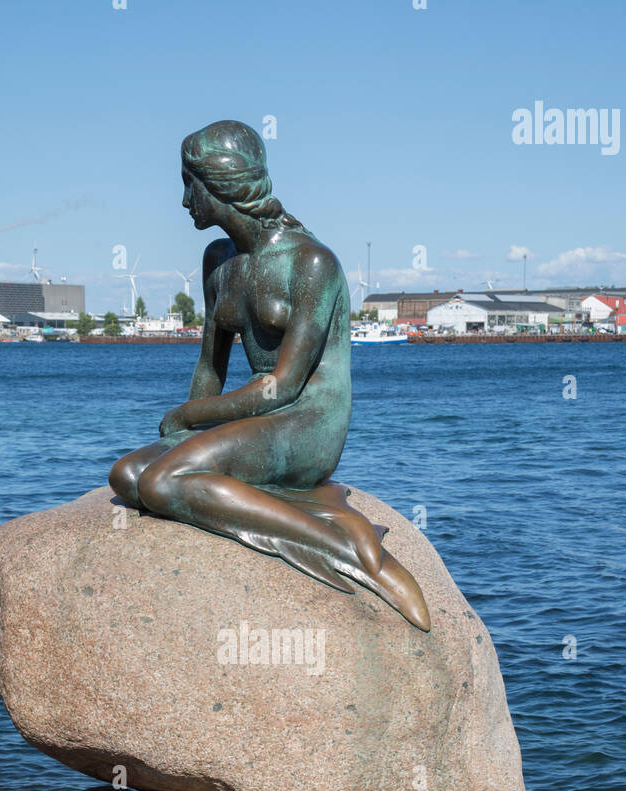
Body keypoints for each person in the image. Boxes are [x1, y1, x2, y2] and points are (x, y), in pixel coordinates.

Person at [109, 120, 430, 631]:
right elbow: (210, 367)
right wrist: (186, 429)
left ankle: (346, 543)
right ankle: (292, 504)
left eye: (190, 183)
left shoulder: (312, 262)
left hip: (306, 421)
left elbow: (281, 385)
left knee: (165, 479)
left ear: (222, 183)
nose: (185, 199)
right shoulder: (219, 261)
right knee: (128, 475)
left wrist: (190, 416)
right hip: (259, 417)